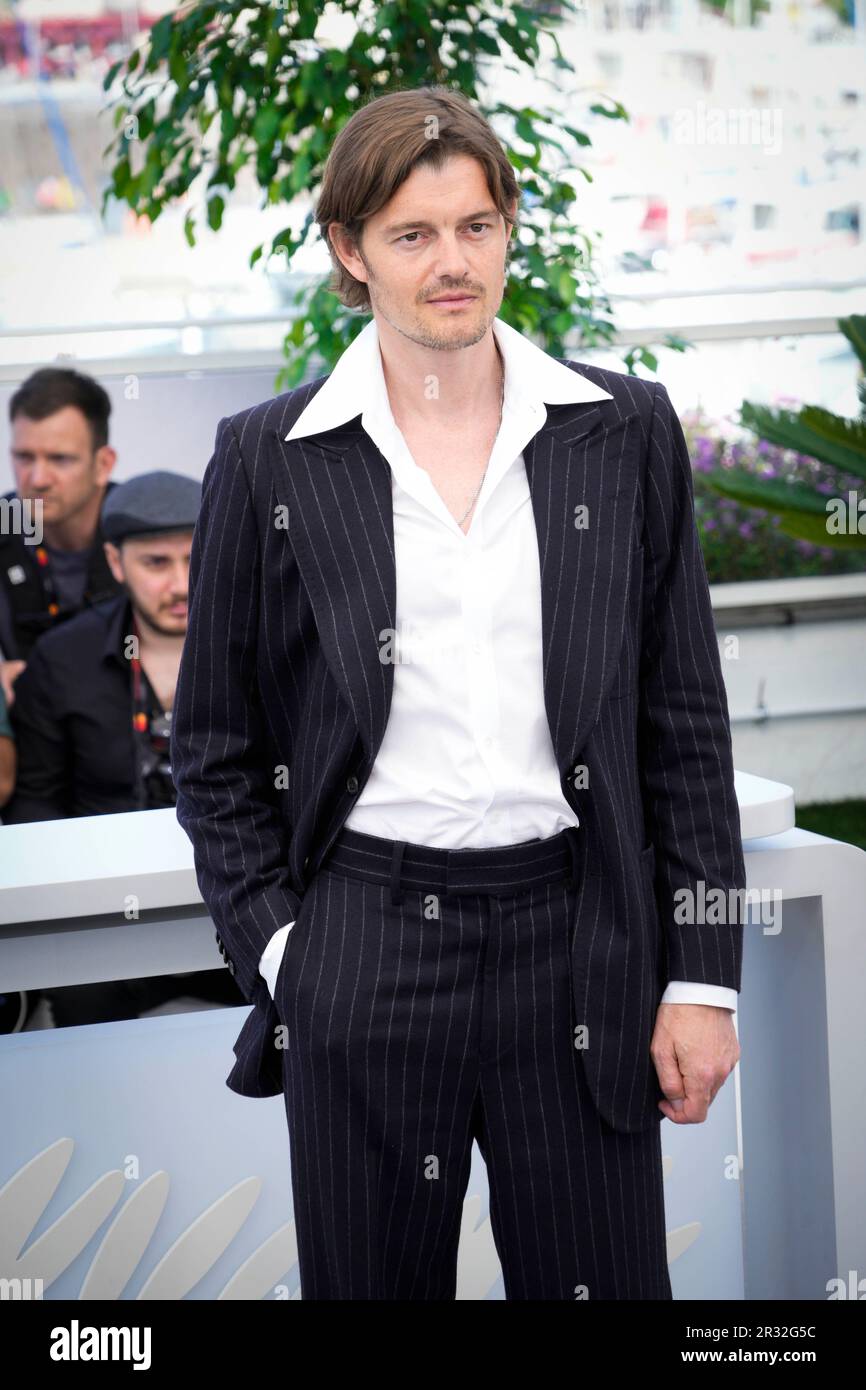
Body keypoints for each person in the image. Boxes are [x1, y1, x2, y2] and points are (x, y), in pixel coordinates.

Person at [171, 86, 745, 1301]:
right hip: (364, 941)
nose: (452, 264)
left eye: (477, 227)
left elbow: (681, 722)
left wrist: (699, 976)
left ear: (507, 231)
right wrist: (286, 955)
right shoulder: (265, 456)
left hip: (577, 938)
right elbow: (215, 750)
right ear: (347, 250)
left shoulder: (622, 430)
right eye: (413, 235)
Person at [3, 470, 243, 1025]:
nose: (181, 584)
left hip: (238, 902)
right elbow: (34, 802)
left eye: (193, 557)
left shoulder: (257, 642)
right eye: (156, 564)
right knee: (84, 1056)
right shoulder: (63, 660)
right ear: (116, 564)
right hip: (104, 921)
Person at [0, 367, 125, 709]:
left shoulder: (141, 532)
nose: (38, 478)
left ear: (103, 464)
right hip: (28, 730)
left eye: (59, 459)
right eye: (24, 457)